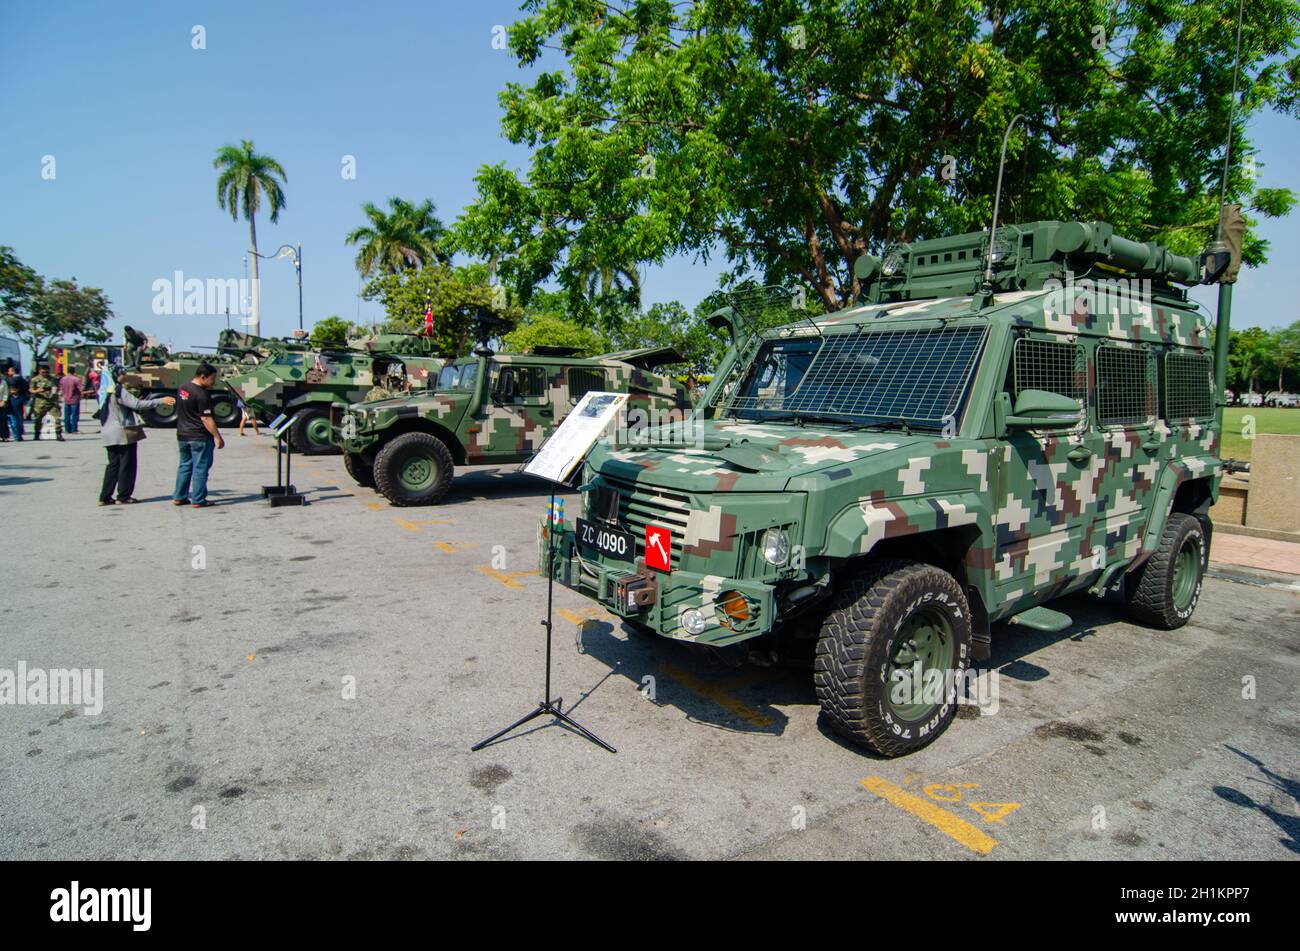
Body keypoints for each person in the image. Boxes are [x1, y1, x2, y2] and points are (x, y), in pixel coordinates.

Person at [96, 365, 175, 505]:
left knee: (113, 466)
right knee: (127, 464)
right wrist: (161, 400)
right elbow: (137, 404)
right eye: (122, 373)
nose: (125, 375)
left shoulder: (103, 390)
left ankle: (105, 497)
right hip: (122, 432)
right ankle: (124, 496)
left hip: (108, 432)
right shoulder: (118, 390)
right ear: (116, 375)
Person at [172, 363, 224, 508]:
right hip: (199, 437)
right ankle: (198, 499)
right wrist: (218, 437)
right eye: (212, 378)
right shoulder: (202, 394)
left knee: (184, 466)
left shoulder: (183, 388)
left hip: (182, 435)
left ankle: (179, 496)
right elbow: (206, 418)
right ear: (203, 377)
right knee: (200, 468)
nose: (214, 381)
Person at [28, 364, 62, 441]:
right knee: (38, 419)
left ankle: (58, 434)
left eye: (46, 372)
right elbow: (30, 390)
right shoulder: (35, 380)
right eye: (43, 372)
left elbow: (58, 388)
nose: (45, 374)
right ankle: (37, 434)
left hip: (52, 402)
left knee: (57, 418)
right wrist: (37, 391)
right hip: (40, 402)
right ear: (40, 371)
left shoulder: (53, 379)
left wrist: (57, 392)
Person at [60, 365, 84, 434]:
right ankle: (74, 429)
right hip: (74, 399)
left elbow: (61, 389)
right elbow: (81, 389)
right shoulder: (76, 379)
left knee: (66, 415)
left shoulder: (63, 379)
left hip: (66, 399)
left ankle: (67, 429)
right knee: (74, 415)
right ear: (74, 371)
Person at [6, 365, 28, 440]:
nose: (8, 372)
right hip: (18, 402)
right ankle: (18, 435)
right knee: (17, 421)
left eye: (9, 371)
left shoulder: (12, 380)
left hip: (14, 404)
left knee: (14, 422)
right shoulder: (23, 379)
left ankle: (17, 435)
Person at [0, 367, 10, 441]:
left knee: (3, 420)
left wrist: (3, 401)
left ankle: (4, 436)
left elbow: (6, 393)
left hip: (1, 403)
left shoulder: (3, 382)